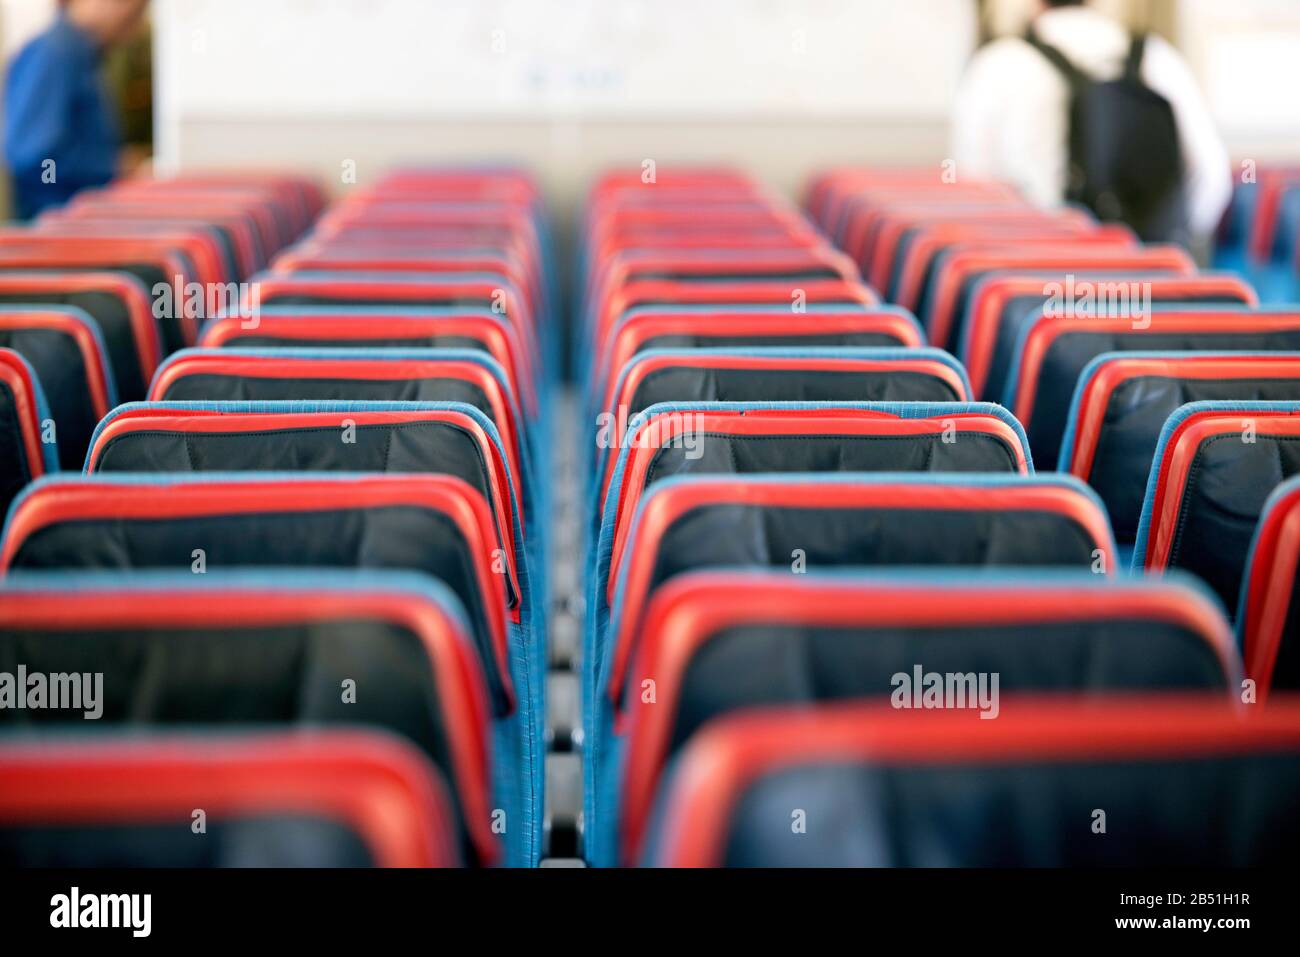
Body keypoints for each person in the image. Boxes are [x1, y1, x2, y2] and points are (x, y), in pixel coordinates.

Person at [952, 0, 1231, 249]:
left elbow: (975, 189)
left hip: (1038, 281)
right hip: (1150, 282)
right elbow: (1212, 177)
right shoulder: (1157, 58)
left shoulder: (997, 64)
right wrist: (1166, 239)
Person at [4, 0, 149, 220]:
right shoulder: (56, 53)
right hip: (55, 220)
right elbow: (38, 156)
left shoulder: (80, 52)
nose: (134, 27)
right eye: (131, 13)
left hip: (73, 214)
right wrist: (52, 196)